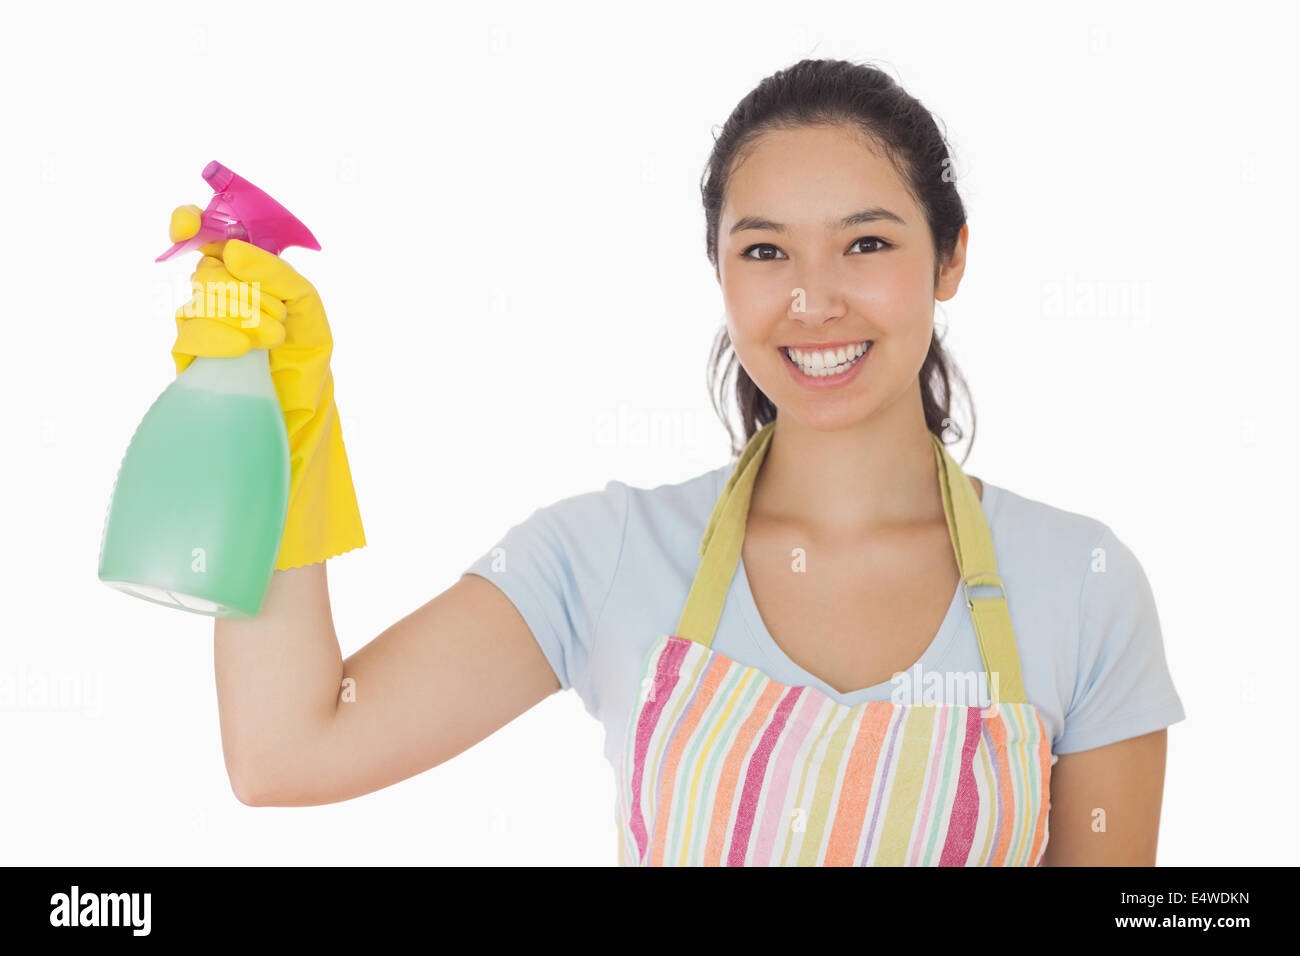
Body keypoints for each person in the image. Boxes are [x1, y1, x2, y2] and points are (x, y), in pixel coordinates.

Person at [176, 58, 1184, 866]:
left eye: (866, 244)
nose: (813, 299)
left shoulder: (1080, 584)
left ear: (951, 254)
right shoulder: (607, 554)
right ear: (719, 270)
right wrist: (272, 430)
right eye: (764, 252)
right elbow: (287, 747)